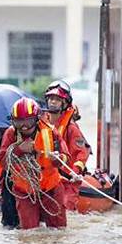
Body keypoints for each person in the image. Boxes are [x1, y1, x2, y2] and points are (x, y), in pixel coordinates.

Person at [0, 97, 70, 229]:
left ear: (36, 119)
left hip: (51, 188)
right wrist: (19, 150)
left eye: (28, 121)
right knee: (29, 232)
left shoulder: (51, 132)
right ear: (13, 121)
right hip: (25, 191)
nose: (24, 126)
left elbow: (66, 157)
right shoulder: (11, 134)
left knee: (59, 230)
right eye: (19, 122)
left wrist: (58, 160)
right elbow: (2, 161)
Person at [44, 80, 91, 211]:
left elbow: (82, 154)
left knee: (65, 209)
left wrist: (74, 173)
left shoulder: (71, 128)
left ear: (64, 104)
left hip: (67, 179)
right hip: (46, 177)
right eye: (51, 99)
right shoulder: (41, 125)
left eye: (57, 100)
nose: (53, 102)